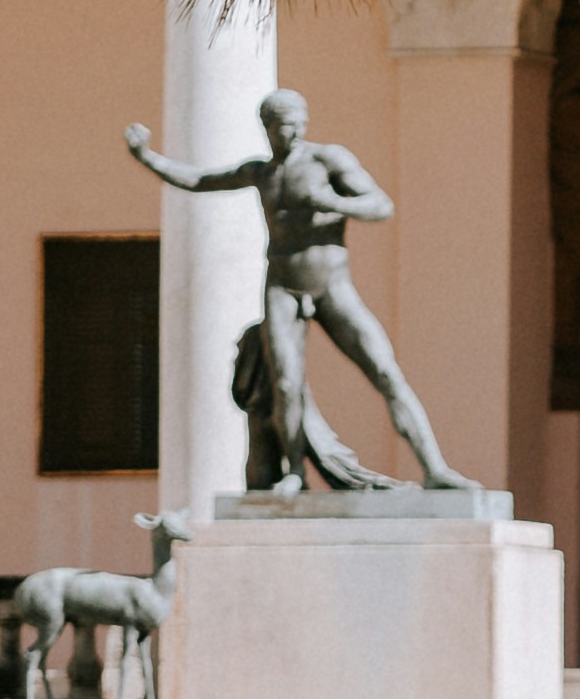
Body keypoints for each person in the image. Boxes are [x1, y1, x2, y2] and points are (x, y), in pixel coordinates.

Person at [130, 89, 477, 491]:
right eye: (283, 125)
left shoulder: (327, 160)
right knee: (286, 382)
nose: (293, 132)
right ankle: (295, 471)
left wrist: (331, 201)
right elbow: (199, 180)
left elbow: (381, 206)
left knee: (383, 369)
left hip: (331, 285)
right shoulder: (261, 172)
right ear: (267, 128)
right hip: (282, 286)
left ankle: (434, 467)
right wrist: (145, 155)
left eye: (298, 123)